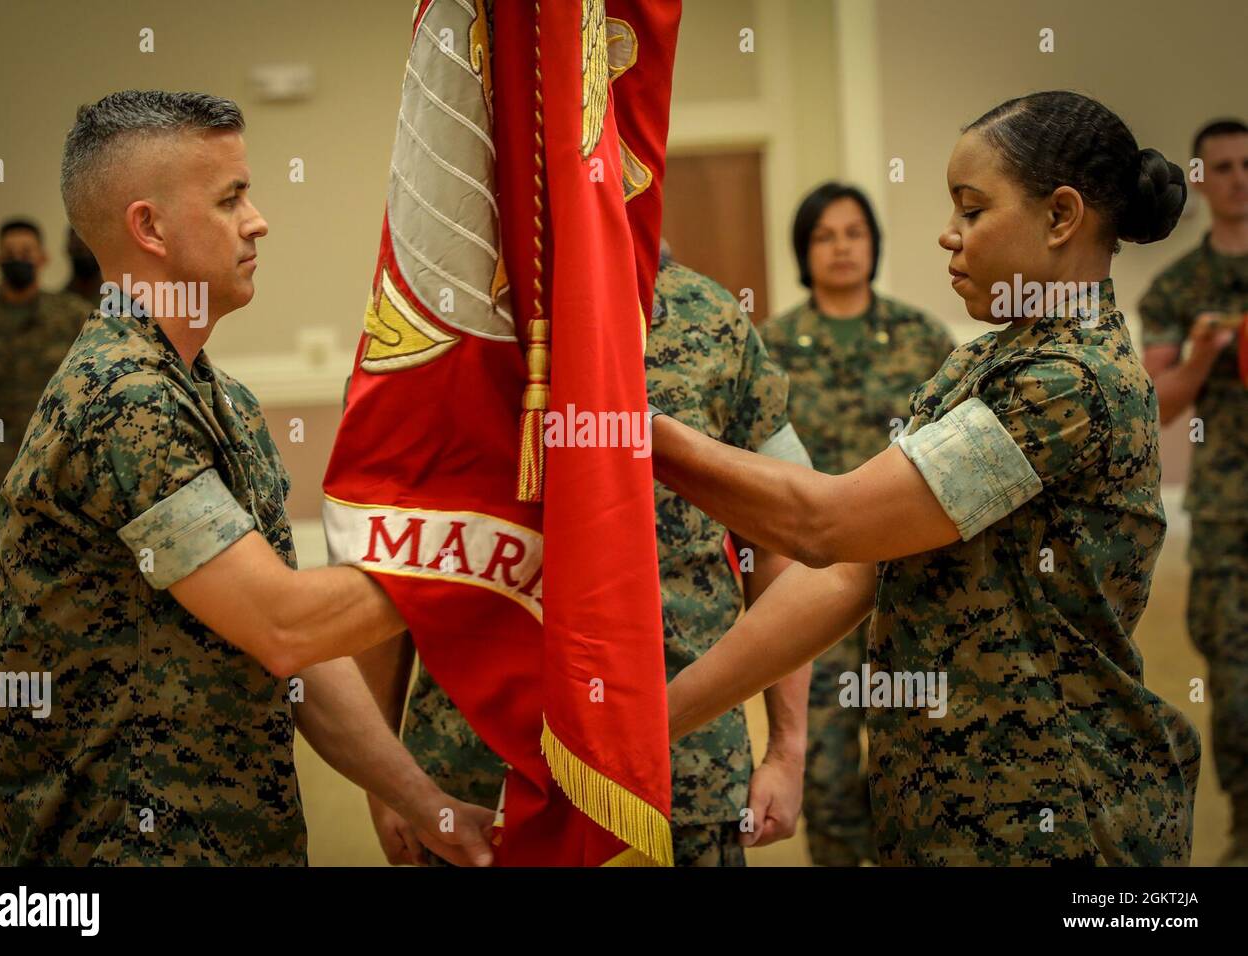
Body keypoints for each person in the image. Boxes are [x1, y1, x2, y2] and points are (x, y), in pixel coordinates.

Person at [651, 90, 1201, 865]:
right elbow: (850, 569)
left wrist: (637, 432)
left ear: (1061, 216)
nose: (948, 234)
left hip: (1057, 818)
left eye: (972, 211)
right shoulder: (984, 360)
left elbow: (825, 523)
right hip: (948, 811)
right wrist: (651, 725)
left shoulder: (1071, 381)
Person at [0, 90, 493, 867]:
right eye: (230, 199)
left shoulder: (215, 397)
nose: (258, 220)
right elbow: (284, 622)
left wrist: (421, 802)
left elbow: (298, 650)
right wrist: (491, 555)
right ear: (148, 227)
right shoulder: (122, 399)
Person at [364, 249, 815, 866]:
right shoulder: (448, 316)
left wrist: (787, 752)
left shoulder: (712, 316)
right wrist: (386, 777)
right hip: (472, 781)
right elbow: (391, 552)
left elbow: (783, 540)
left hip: (681, 775)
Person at [764, 183, 954, 866]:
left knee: (921, 766)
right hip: (810, 582)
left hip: (909, 582)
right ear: (803, 250)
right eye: (824, 235)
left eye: (854, 232)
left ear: (873, 244)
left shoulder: (921, 337)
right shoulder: (772, 346)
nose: (842, 247)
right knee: (826, 771)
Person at [1139, 118, 1248, 864]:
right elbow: (1162, 404)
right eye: (1225, 167)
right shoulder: (1179, 289)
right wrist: (1205, 355)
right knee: (1236, 680)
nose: (1240, 177)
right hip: (1229, 506)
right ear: (1202, 180)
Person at [0, 219, 88, 659]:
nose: (19, 259)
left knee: (53, 571)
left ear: (43, 258)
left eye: (27, 251)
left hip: (53, 468)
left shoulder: (69, 317)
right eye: (10, 252)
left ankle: (55, 658)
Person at [62, 224, 104, 307]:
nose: (85, 254)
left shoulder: (120, 301)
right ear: (69, 249)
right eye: (79, 248)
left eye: (90, 248)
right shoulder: (59, 302)